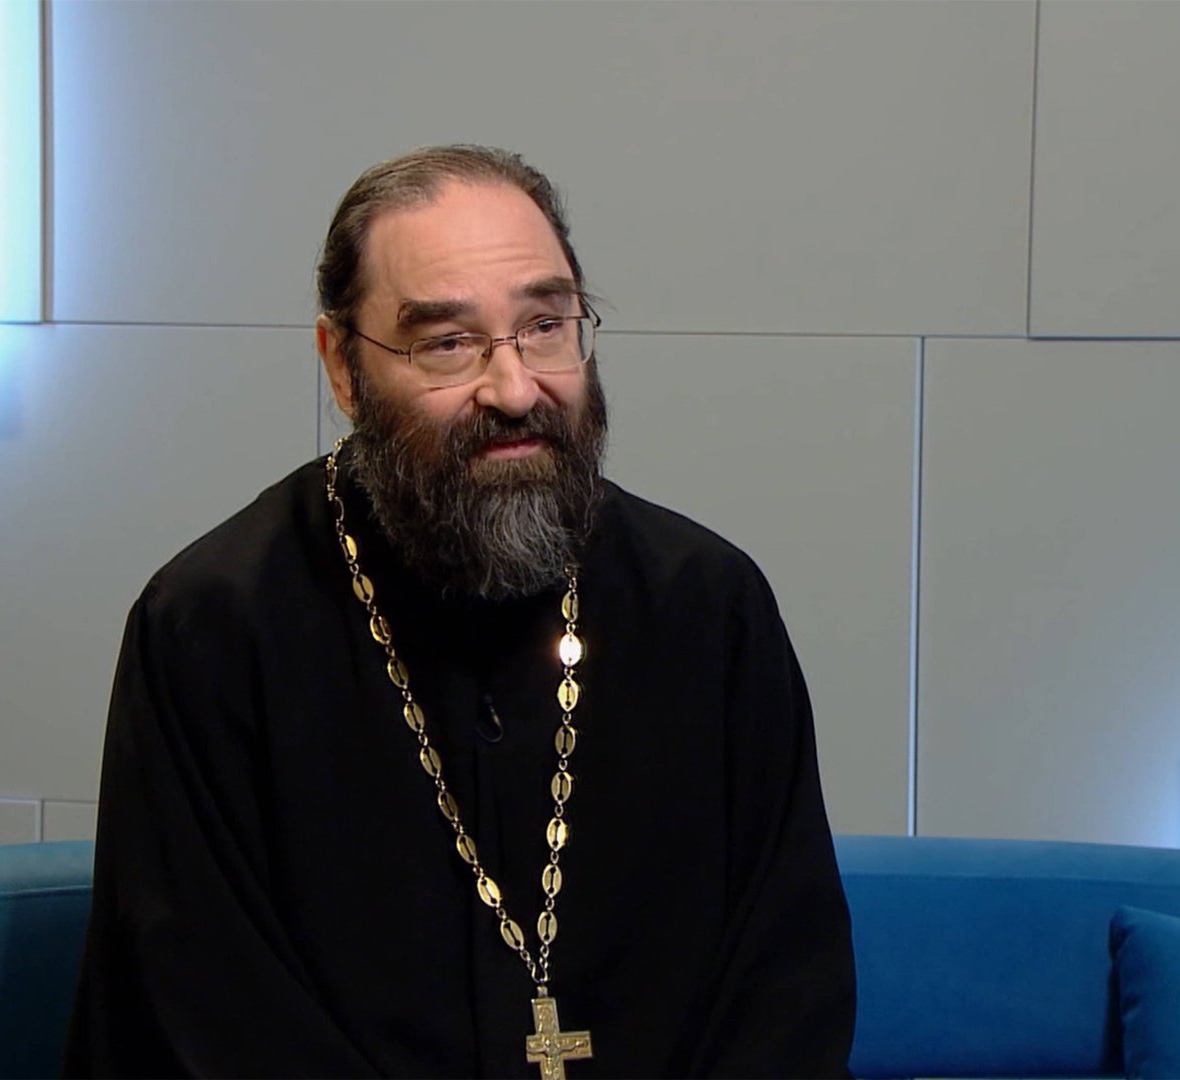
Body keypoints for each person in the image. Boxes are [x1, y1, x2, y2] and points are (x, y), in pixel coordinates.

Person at [65, 145, 856, 1078]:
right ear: (343, 368)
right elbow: (204, 1018)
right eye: (448, 342)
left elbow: (784, 993)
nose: (515, 389)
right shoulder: (211, 630)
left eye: (546, 326)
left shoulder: (707, 607)